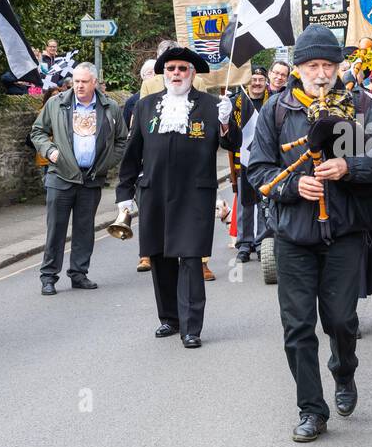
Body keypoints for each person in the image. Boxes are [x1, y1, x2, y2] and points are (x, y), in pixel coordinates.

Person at [247, 25, 372, 442]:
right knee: (297, 328)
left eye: (328, 65)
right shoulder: (276, 111)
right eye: (312, 65)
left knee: (340, 320)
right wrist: (294, 186)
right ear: (298, 69)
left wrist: (350, 168)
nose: (320, 73)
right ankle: (312, 410)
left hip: (346, 234)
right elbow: (257, 171)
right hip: (293, 236)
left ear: (338, 67)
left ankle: (344, 370)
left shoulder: (363, 107)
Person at [117, 48, 234, 349]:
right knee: (159, 257)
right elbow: (132, 154)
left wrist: (225, 122)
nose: (177, 73)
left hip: (195, 194)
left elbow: (232, 144)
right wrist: (124, 195)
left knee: (191, 259)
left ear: (193, 74)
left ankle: (191, 327)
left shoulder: (211, 105)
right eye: (171, 68)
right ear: (164, 73)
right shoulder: (145, 107)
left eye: (183, 68)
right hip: (154, 192)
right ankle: (170, 318)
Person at [31, 62, 127, 296]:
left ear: (95, 82)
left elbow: (122, 140)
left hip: (91, 178)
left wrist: (105, 164)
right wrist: (49, 151)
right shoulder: (56, 103)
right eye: (76, 81)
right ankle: (48, 277)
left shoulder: (110, 107)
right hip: (61, 176)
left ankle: (78, 274)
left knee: (85, 230)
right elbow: (37, 131)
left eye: (84, 82)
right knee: (56, 229)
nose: (79, 86)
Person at [231, 65, 272, 263]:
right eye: (253, 79)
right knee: (245, 203)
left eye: (260, 80)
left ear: (266, 83)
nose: (256, 83)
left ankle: (262, 242)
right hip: (243, 160)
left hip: (266, 159)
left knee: (265, 201)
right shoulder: (235, 103)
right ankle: (245, 244)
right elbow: (227, 138)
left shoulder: (272, 103)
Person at [124, 59, 156, 129]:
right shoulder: (132, 102)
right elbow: (126, 129)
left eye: (156, 73)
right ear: (143, 77)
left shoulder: (166, 97)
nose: (153, 76)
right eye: (149, 73)